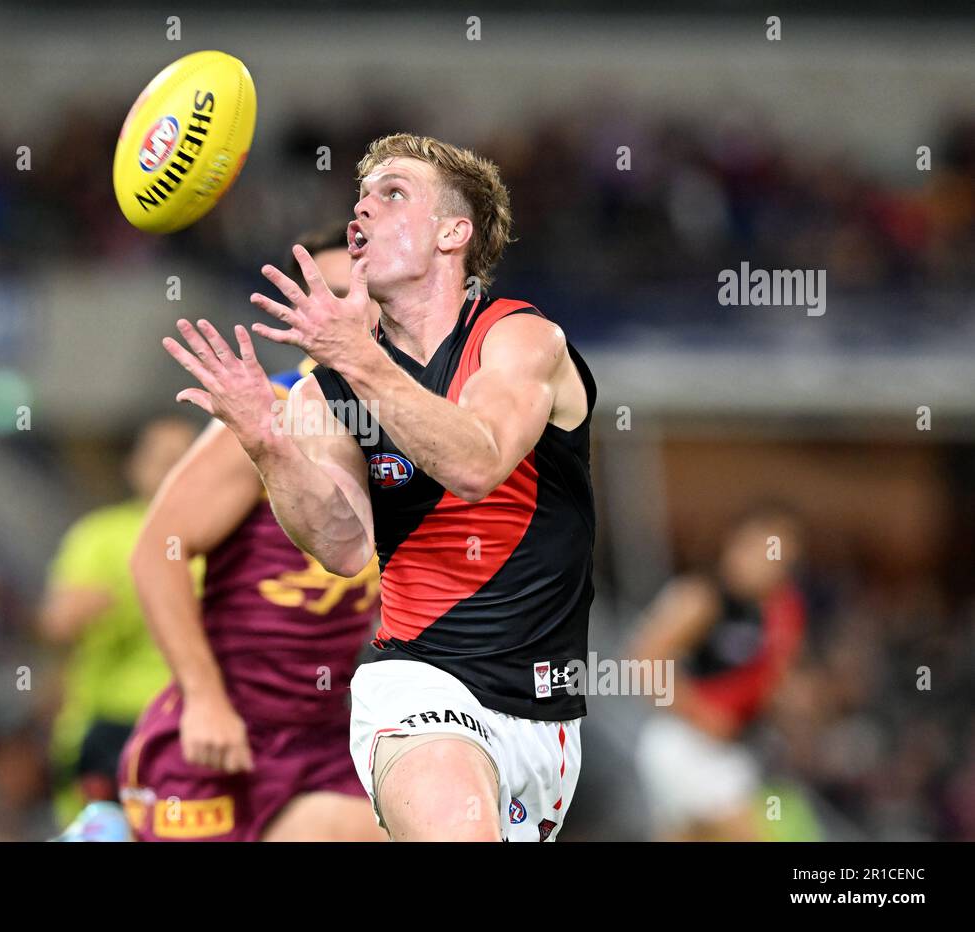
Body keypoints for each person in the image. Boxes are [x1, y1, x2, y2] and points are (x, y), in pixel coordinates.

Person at [161, 134, 597, 841]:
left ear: (455, 233)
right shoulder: (324, 391)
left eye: (394, 193)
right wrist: (268, 447)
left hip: (548, 713)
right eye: (361, 196)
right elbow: (341, 543)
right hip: (417, 684)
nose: (364, 208)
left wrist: (360, 359)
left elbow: (477, 462)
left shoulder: (520, 340)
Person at [118, 224, 388, 841]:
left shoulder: (403, 433)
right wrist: (204, 700)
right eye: (327, 294)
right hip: (221, 736)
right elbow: (155, 554)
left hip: (324, 743)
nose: (347, 308)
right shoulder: (265, 415)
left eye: (362, 291)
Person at [40, 417, 198, 827]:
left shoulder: (219, 536)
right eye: (161, 458)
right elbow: (55, 623)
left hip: (192, 725)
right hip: (110, 726)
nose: (172, 469)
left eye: (185, 458)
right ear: (135, 466)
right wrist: (74, 613)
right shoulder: (100, 535)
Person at [629, 504, 808, 841]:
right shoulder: (700, 596)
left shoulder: (771, 611)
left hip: (728, 751)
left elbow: (772, 682)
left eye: (782, 559)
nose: (771, 565)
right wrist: (696, 711)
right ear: (736, 545)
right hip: (684, 744)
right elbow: (643, 659)